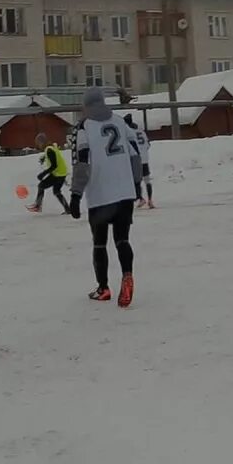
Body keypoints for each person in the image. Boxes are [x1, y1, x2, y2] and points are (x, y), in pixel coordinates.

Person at [70, 87, 142, 307]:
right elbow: (135, 155)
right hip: (125, 193)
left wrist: (75, 194)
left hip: (101, 195)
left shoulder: (84, 127)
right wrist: (137, 184)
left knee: (99, 244)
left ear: (86, 105)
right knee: (122, 240)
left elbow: (82, 161)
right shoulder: (121, 122)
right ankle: (127, 275)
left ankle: (103, 288)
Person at [27, 133, 71, 214]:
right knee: (56, 191)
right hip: (61, 173)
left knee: (41, 186)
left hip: (57, 174)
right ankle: (68, 209)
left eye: (38, 143)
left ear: (41, 142)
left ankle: (37, 206)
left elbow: (54, 165)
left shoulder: (49, 149)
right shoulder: (51, 148)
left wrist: (43, 174)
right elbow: (53, 158)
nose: (38, 145)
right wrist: (44, 158)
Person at [124, 114, 154, 208]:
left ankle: (140, 198)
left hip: (135, 159)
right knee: (147, 180)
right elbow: (148, 144)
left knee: (136, 181)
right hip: (145, 158)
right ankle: (150, 200)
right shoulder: (141, 131)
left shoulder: (128, 132)